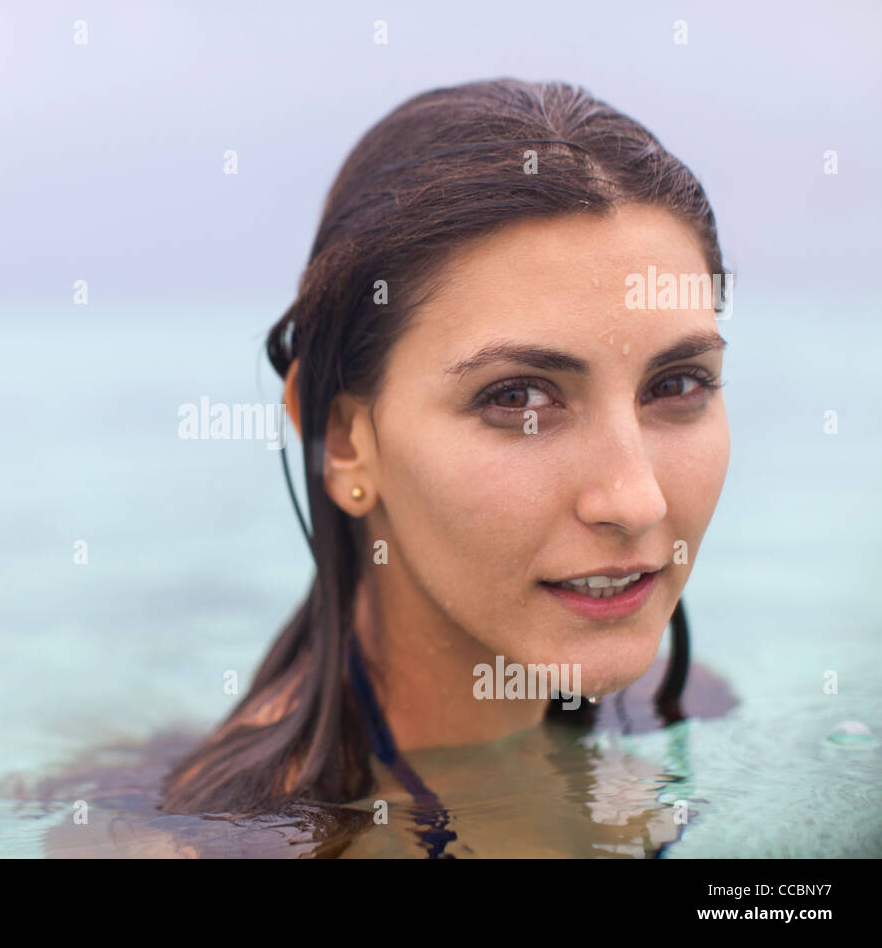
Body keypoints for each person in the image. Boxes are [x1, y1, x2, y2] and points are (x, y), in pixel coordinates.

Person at [158, 78, 736, 855]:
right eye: (519, 397)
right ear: (346, 441)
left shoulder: (687, 706)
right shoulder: (213, 844)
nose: (634, 501)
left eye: (676, 384)